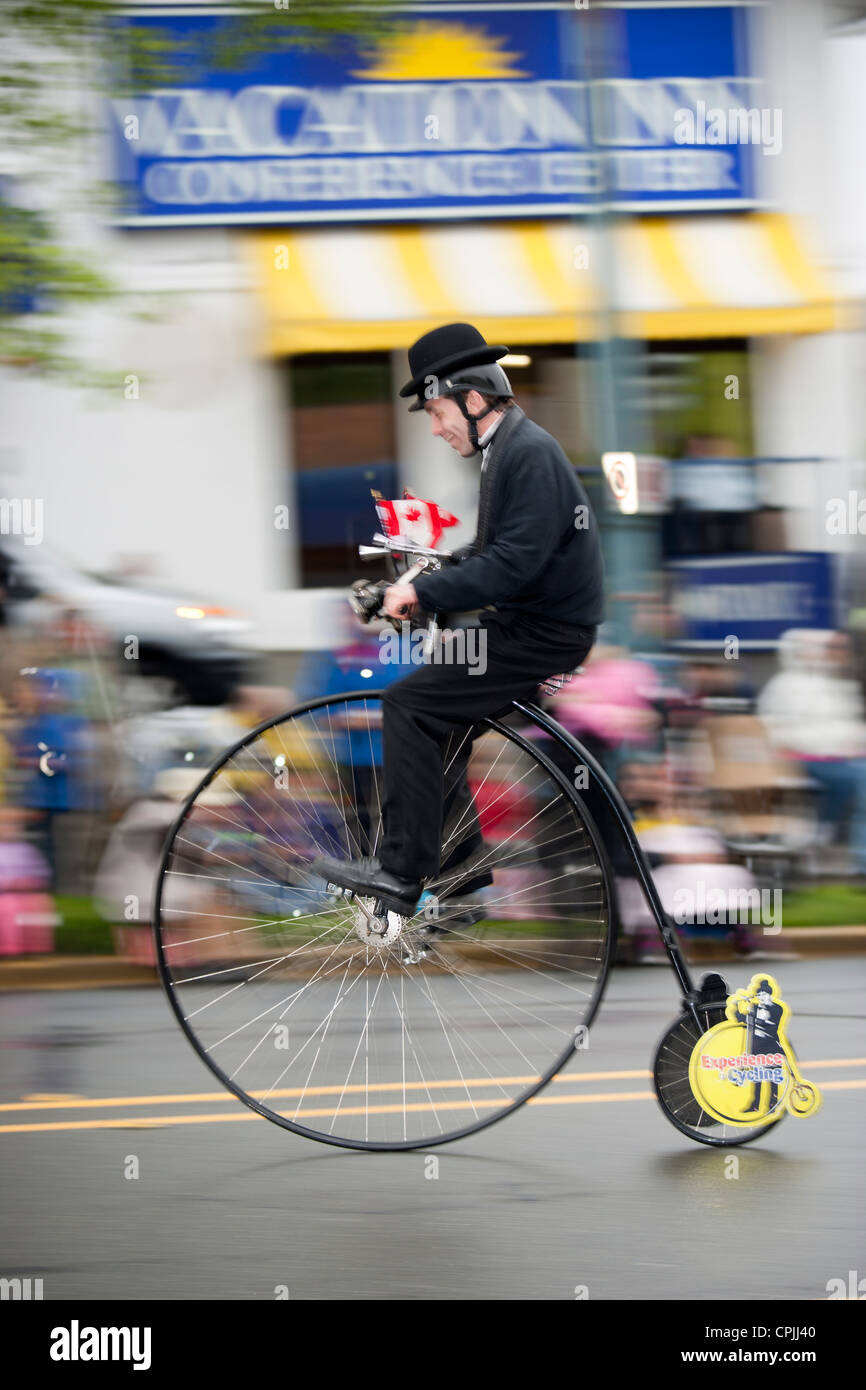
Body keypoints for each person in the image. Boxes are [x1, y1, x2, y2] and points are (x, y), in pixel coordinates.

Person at [312, 322, 605, 913]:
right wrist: (411, 582)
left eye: (436, 410)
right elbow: (489, 556)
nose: (436, 427)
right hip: (525, 629)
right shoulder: (511, 450)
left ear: (473, 400)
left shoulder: (528, 455)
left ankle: (402, 872)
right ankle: (461, 863)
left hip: (542, 636)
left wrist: (422, 597)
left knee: (408, 706)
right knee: (435, 716)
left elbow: (511, 568)